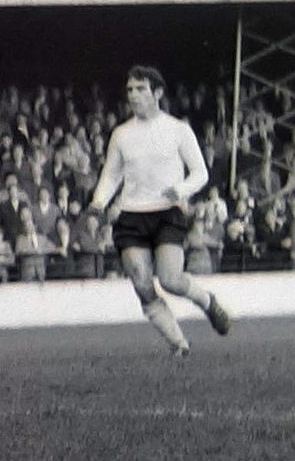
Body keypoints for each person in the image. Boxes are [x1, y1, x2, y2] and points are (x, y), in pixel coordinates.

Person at [87, 66, 232, 357]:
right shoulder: (121, 134)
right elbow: (111, 175)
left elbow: (200, 173)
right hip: (131, 216)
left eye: (141, 89)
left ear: (158, 93)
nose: (134, 95)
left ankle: (208, 302)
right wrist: (98, 203)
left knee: (170, 279)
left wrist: (181, 189)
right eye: (130, 90)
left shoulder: (178, 130)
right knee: (142, 283)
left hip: (167, 213)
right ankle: (179, 344)